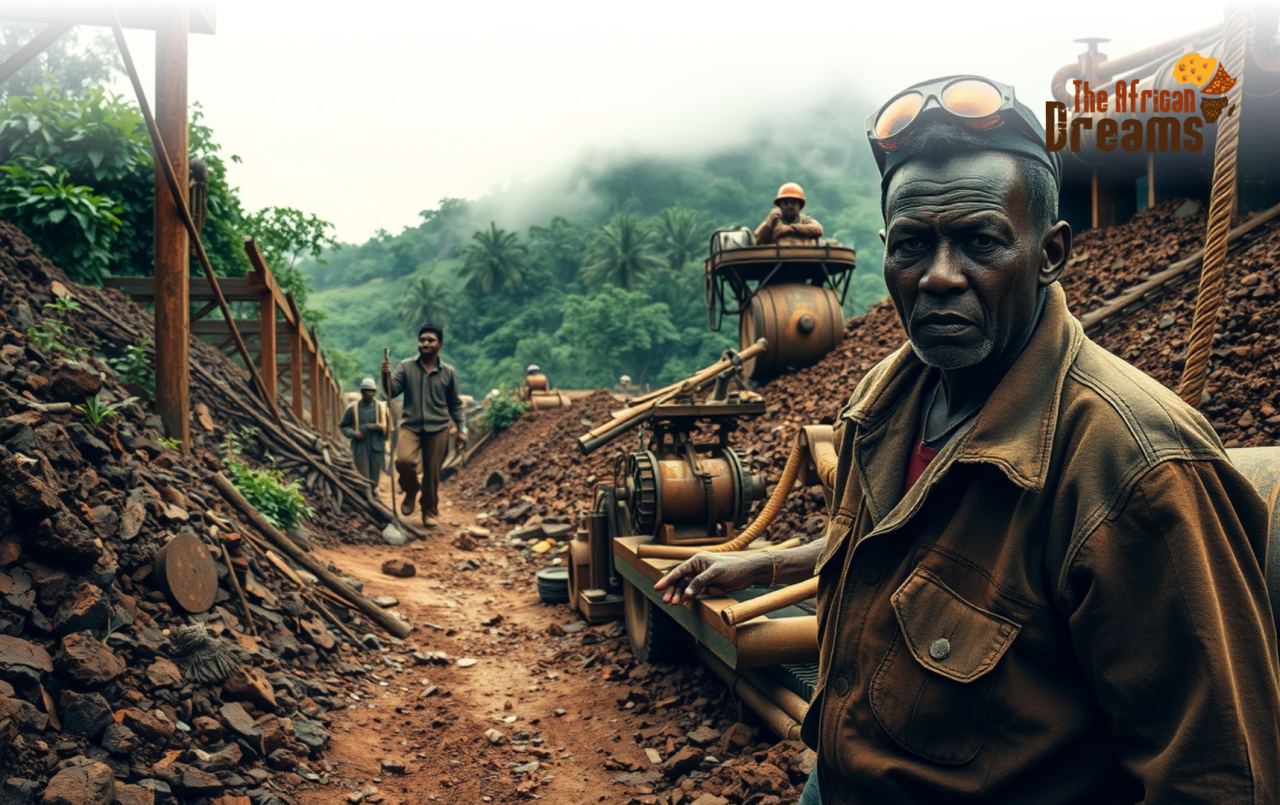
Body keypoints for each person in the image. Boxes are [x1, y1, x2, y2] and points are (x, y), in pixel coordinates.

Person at [656, 75, 1280, 804]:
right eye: (914, 244)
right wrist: (762, 564)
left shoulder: (1131, 466)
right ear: (887, 252)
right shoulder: (885, 401)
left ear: (1050, 253)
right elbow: (906, 544)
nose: (939, 277)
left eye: (980, 241)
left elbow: (1215, 780)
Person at [381, 324, 468, 528]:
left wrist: (462, 430)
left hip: (438, 428)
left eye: (430, 340)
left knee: (432, 474)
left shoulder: (448, 373)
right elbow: (392, 391)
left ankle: (429, 510)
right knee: (403, 461)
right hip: (410, 426)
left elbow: (455, 404)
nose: (425, 343)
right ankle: (411, 490)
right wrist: (385, 375)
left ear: (440, 345)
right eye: (422, 340)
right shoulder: (405, 367)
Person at [339, 378, 389, 485]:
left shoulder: (382, 408)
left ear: (374, 392)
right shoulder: (352, 408)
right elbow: (344, 426)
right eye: (365, 390)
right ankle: (366, 494)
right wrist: (353, 433)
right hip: (360, 445)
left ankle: (372, 491)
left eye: (370, 391)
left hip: (377, 446)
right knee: (363, 474)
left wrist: (376, 427)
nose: (368, 393)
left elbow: (388, 428)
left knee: (374, 476)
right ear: (361, 391)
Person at [754, 182, 823, 246]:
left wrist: (790, 228)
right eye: (785, 203)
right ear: (780, 205)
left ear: (800, 206)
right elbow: (757, 242)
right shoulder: (773, 220)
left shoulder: (804, 220)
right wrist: (769, 224)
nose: (789, 206)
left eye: (793, 203)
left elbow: (818, 229)